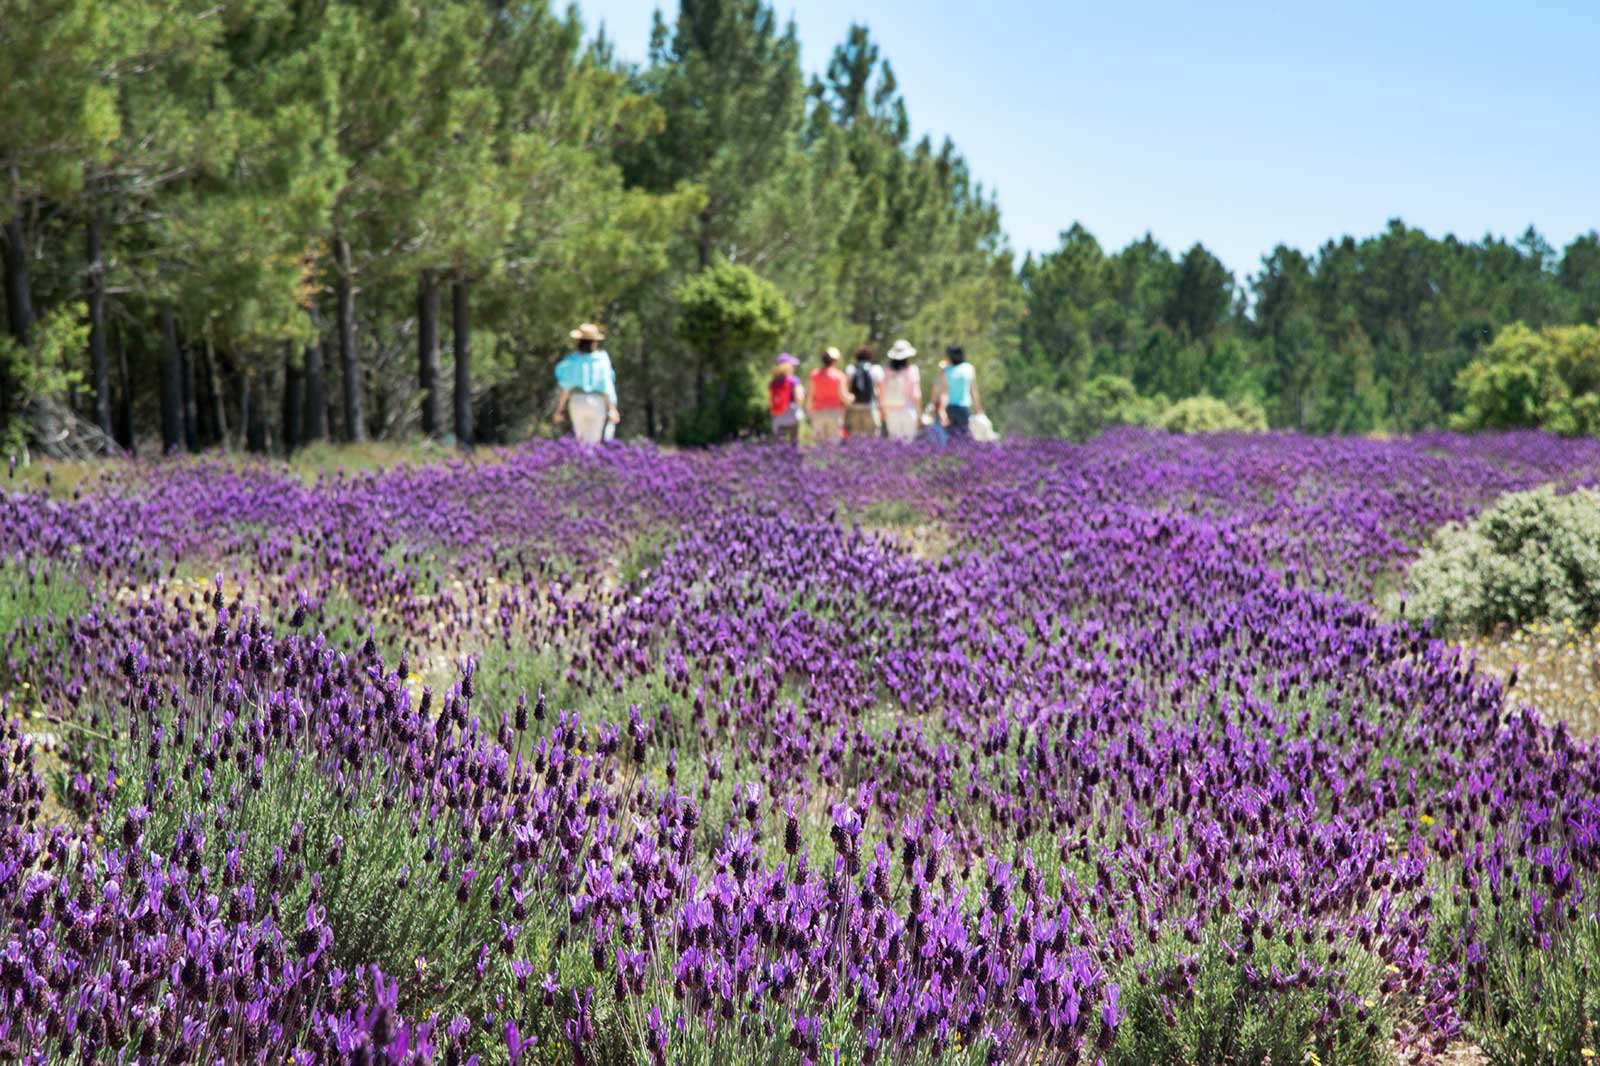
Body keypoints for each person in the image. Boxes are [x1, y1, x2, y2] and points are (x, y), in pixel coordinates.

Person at [553, 323, 619, 444]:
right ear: (594, 342)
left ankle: (582, 461)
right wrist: (612, 408)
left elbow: (566, 388)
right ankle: (591, 462)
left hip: (577, 401)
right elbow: (606, 386)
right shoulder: (602, 359)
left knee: (581, 439)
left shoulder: (571, 360)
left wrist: (559, 409)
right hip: (597, 402)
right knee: (594, 441)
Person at [935, 344, 982, 442]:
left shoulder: (946, 371)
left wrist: (941, 410)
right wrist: (979, 409)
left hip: (950, 408)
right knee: (964, 437)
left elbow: (944, 393)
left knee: (951, 438)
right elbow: (973, 391)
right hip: (963, 408)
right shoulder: (969, 368)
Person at [879, 339, 922, 442]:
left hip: (891, 411)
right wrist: (919, 414)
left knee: (894, 442)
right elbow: (916, 395)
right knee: (908, 442)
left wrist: (883, 410)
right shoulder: (912, 370)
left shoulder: (886, 371)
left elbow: (882, 392)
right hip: (908, 409)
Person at [806, 347, 848, 445]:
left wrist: (808, 411)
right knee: (834, 443)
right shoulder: (839, 375)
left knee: (819, 443)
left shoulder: (815, 374)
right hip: (834, 413)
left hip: (817, 412)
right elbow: (843, 396)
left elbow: (810, 395)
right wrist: (851, 398)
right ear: (836, 361)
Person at [845, 345, 883, 440]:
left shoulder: (850, 369)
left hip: (854, 407)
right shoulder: (876, 369)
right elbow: (880, 391)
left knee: (854, 438)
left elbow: (848, 389)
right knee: (872, 438)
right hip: (871, 407)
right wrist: (882, 409)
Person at [769, 353, 804, 444]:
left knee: (780, 444)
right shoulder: (794, 380)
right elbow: (799, 398)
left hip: (777, 415)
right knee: (793, 442)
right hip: (791, 415)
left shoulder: (773, 381)